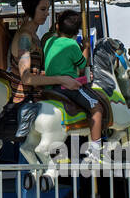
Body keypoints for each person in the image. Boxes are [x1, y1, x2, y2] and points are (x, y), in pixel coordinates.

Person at [42, 10, 106, 156]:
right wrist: (86, 48)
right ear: (76, 32)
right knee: (96, 107)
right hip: (67, 87)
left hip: (50, 87)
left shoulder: (49, 42)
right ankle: (96, 150)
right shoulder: (72, 45)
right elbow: (83, 66)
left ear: (57, 27)